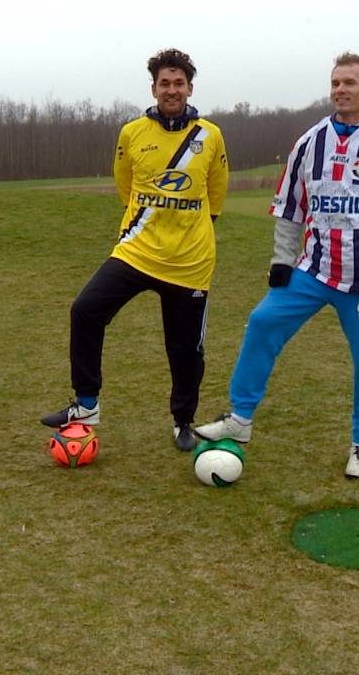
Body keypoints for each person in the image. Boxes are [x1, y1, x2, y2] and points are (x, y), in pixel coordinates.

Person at [195, 52, 359, 478]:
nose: (341, 89)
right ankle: (240, 420)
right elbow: (289, 207)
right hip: (312, 272)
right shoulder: (309, 142)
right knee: (262, 322)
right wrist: (282, 260)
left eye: (350, 83)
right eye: (336, 82)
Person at [41, 48, 229, 453]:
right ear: (154, 88)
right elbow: (125, 187)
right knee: (85, 310)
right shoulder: (131, 133)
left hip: (189, 262)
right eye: (165, 83)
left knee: (185, 350)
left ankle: (183, 419)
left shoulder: (210, 136)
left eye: (179, 83)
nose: (172, 90)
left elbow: (215, 196)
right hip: (137, 251)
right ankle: (86, 406)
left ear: (190, 88)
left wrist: (188, 231)